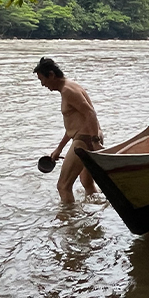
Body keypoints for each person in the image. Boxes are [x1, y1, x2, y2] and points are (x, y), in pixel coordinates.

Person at [34, 57, 103, 203]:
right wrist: (59, 148)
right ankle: (94, 212)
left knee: (63, 186)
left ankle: (69, 216)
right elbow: (74, 125)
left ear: (51, 75)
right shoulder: (70, 86)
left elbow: (90, 113)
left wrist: (95, 142)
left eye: (42, 80)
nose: (42, 84)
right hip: (88, 136)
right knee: (86, 182)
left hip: (85, 140)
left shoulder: (68, 91)